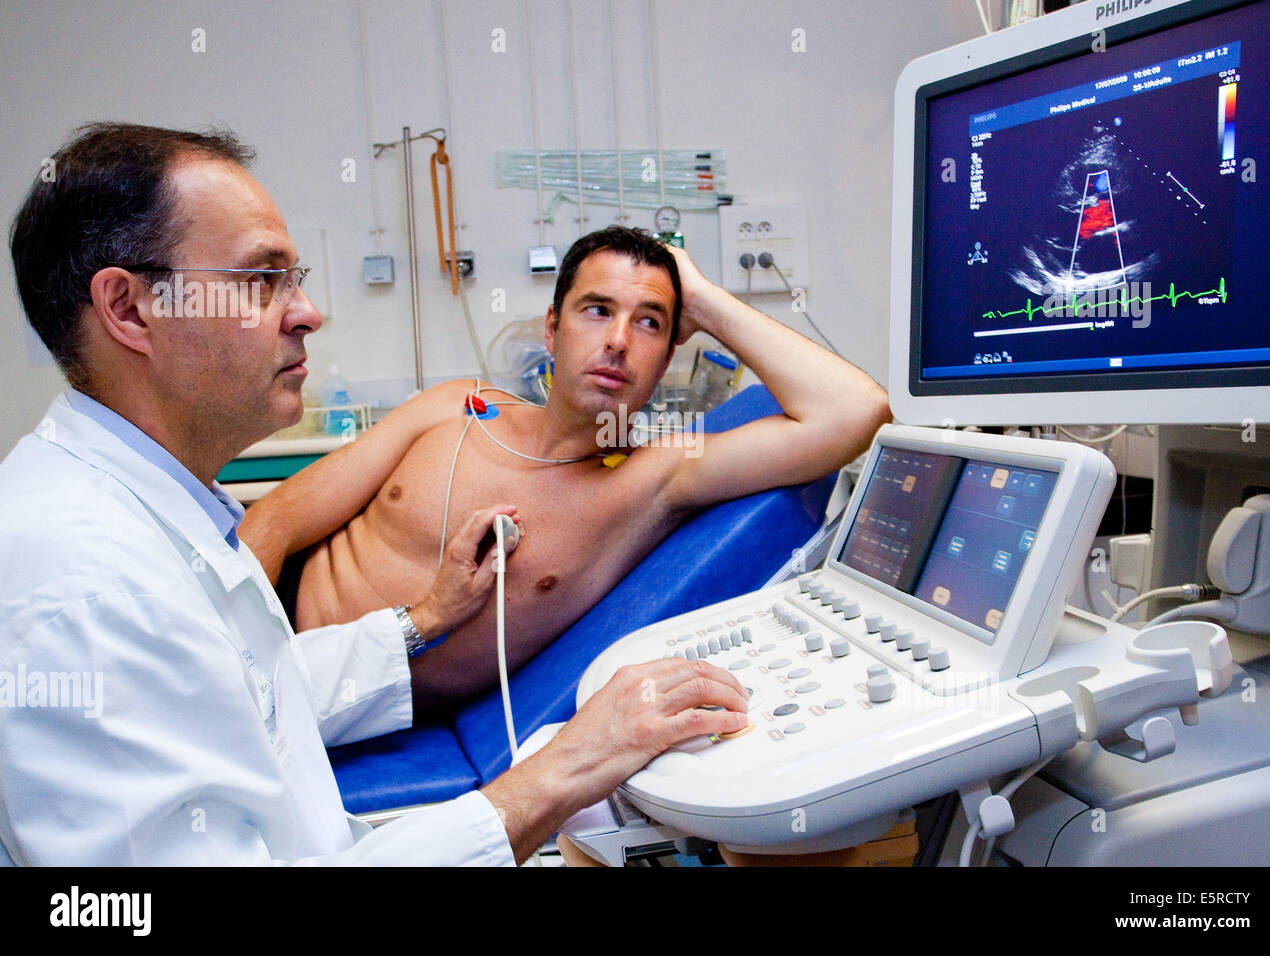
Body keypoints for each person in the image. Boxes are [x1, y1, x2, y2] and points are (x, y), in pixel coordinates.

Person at [0, 122, 751, 866]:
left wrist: (424, 620)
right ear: (132, 310)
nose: (307, 313)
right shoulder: (89, 588)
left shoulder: (155, 517)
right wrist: (563, 773)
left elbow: (260, 695)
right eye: (262, 280)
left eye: (651, 320)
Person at [242, 228, 890, 709]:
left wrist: (706, 299)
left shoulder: (655, 477)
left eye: (650, 323)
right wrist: (231, 666)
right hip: (259, 625)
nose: (617, 341)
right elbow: (274, 521)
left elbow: (855, 411)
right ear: (552, 330)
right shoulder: (456, 407)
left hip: (353, 706)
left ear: (666, 361)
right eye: (597, 310)